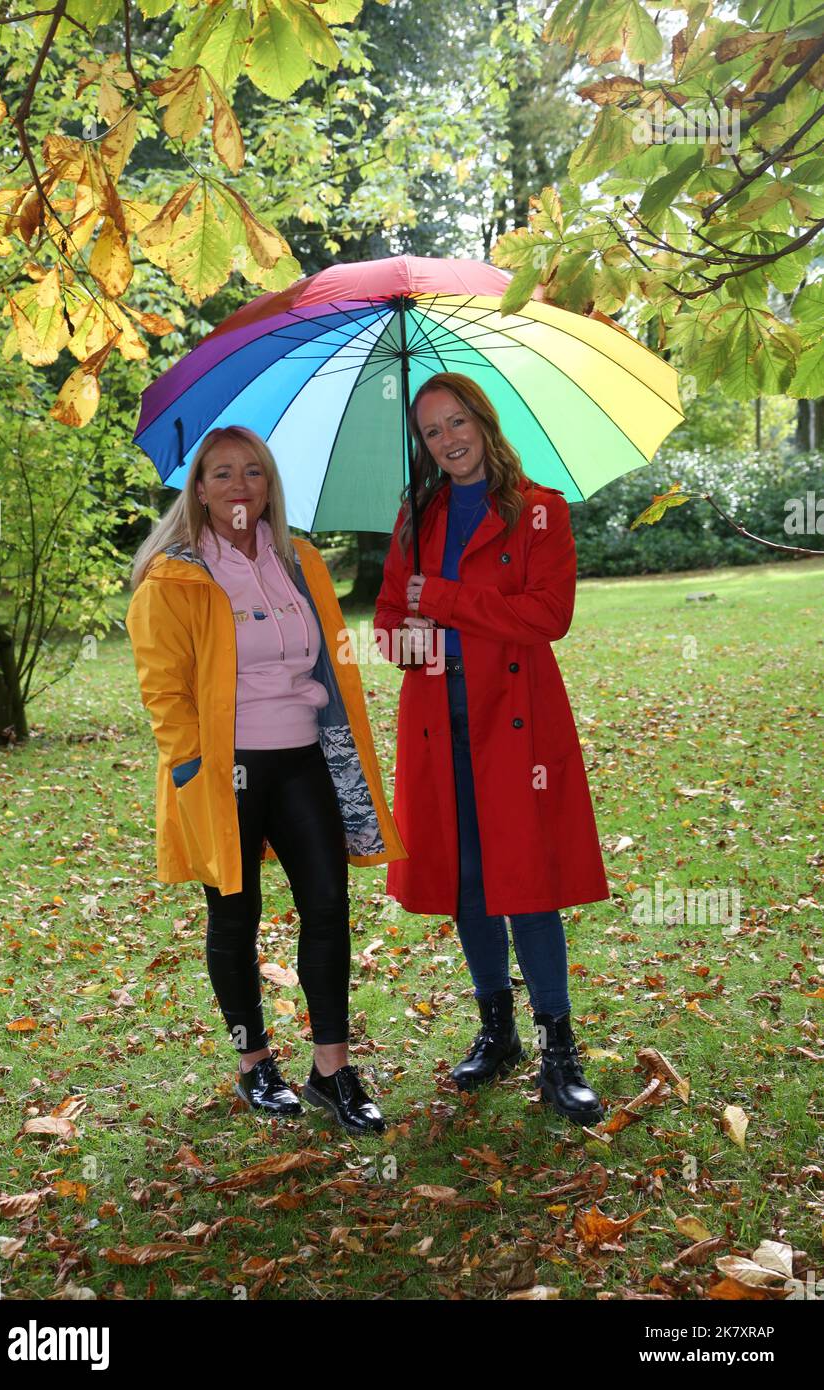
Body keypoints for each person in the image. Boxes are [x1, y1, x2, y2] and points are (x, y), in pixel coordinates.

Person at [126, 425, 406, 1135]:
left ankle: (331, 1070)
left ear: (269, 484)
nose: (239, 486)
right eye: (221, 474)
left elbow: (329, 658)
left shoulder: (299, 560)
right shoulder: (176, 575)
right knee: (235, 915)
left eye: (252, 472)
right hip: (228, 768)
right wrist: (192, 767)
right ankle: (253, 1063)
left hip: (303, 754)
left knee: (328, 903)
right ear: (198, 490)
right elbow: (163, 688)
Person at [374, 373, 610, 1126]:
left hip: (517, 723)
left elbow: (548, 614)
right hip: (437, 722)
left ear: (482, 420)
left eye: (456, 423)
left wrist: (441, 602)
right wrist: (411, 636)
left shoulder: (540, 511)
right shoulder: (416, 518)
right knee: (465, 879)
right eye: (432, 431)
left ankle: (559, 1045)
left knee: (527, 881)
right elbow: (386, 627)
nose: (447, 441)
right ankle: (498, 1030)